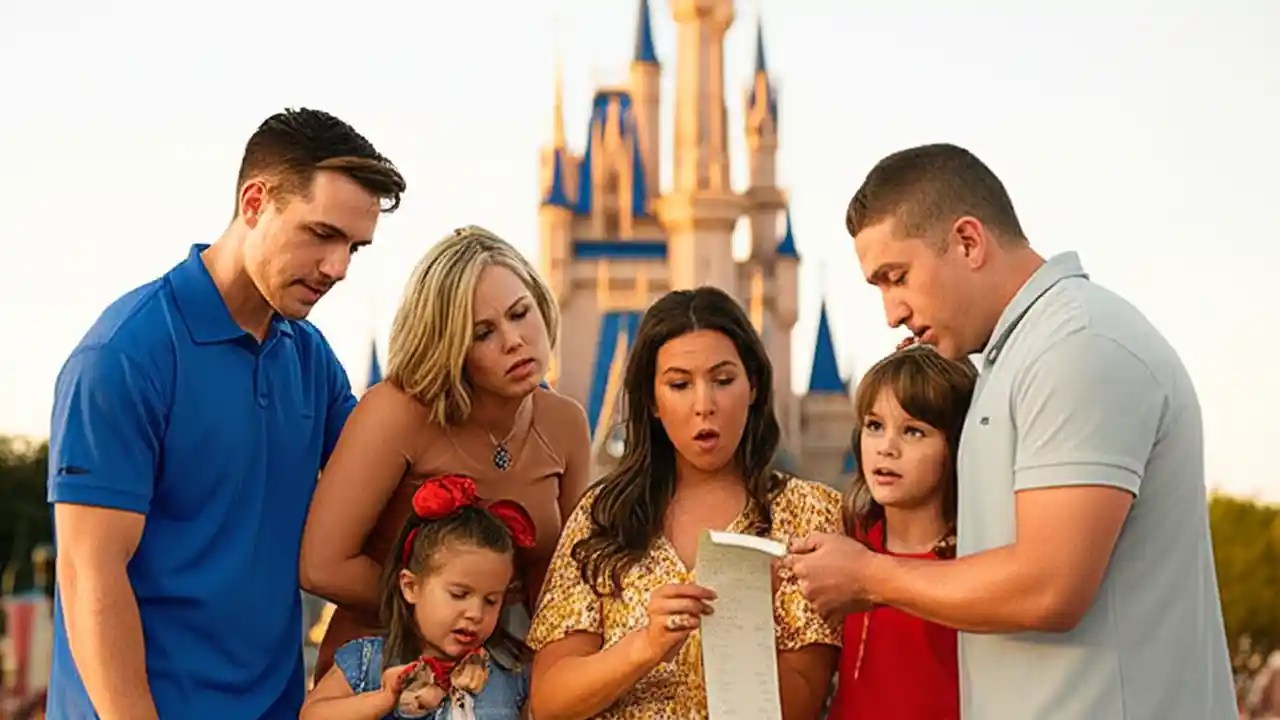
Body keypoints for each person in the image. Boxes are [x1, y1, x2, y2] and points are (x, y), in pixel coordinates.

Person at [785, 142, 1236, 719]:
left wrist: (869, 575)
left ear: (969, 242)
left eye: (896, 277)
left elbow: (1050, 587)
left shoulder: (1077, 344)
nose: (891, 312)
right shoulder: (1013, 361)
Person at [45, 107, 406, 720]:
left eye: (354, 247)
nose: (338, 268)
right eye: (321, 234)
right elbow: (90, 577)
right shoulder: (125, 355)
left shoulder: (309, 358)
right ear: (255, 201)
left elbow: (391, 485)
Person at [526, 286, 842, 720]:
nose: (704, 405)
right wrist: (645, 645)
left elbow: (802, 706)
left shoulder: (807, 512)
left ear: (753, 385)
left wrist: (742, 620)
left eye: (723, 380)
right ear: (653, 402)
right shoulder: (604, 515)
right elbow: (548, 702)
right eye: (679, 384)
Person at [301, 225, 592, 681]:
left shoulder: (566, 422)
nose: (513, 340)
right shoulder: (396, 412)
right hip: (382, 667)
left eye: (520, 313)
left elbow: (563, 579)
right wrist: (449, 615)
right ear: (448, 345)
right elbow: (321, 567)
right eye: (483, 333)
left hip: (506, 679)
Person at [301, 474, 535, 720]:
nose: (475, 613)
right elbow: (311, 716)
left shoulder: (512, 675)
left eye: (491, 600)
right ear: (410, 587)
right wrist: (381, 699)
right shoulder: (370, 661)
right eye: (459, 594)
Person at [827, 345, 976, 720]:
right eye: (874, 426)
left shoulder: (978, 564)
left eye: (913, 431)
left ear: (955, 445)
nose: (886, 449)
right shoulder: (845, 545)